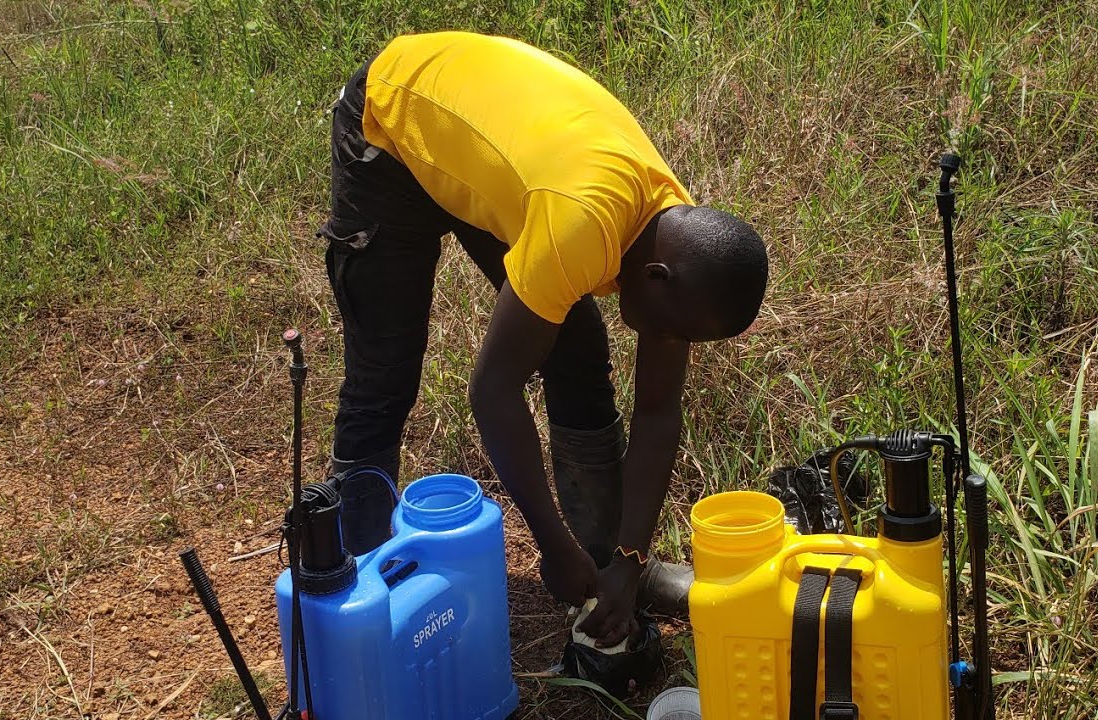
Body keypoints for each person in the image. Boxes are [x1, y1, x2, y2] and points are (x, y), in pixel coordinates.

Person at [319, 31, 768, 648]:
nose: (670, 343)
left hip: (480, 146)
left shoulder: (677, 235)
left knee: (575, 349)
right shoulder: (581, 226)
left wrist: (629, 562)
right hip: (391, 128)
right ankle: (360, 599)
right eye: (674, 332)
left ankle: (602, 556)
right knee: (385, 374)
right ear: (657, 279)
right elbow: (493, 391)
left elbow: (659, 413)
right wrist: (550, 548)